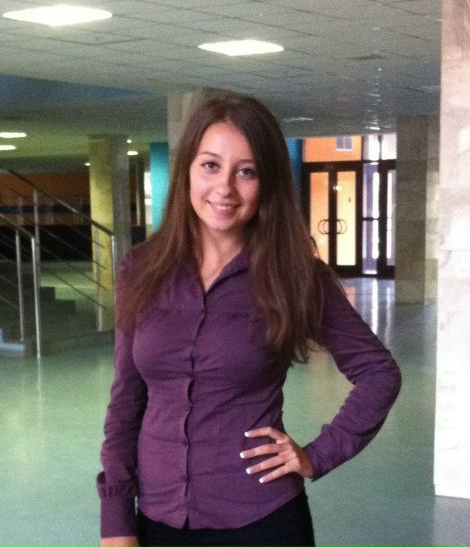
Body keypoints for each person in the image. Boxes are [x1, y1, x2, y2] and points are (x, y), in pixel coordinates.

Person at [97, 94, 401, 547]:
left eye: (246, 171)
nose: (224, 188)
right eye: (210, 165)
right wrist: (117, 522)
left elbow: (379, 373)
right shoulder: (140, 270)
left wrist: (318, 454)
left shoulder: (294, 274)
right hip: (158, 518)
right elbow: (126, 401)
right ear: (187, 171)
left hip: (261, 518)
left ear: (267, 183)